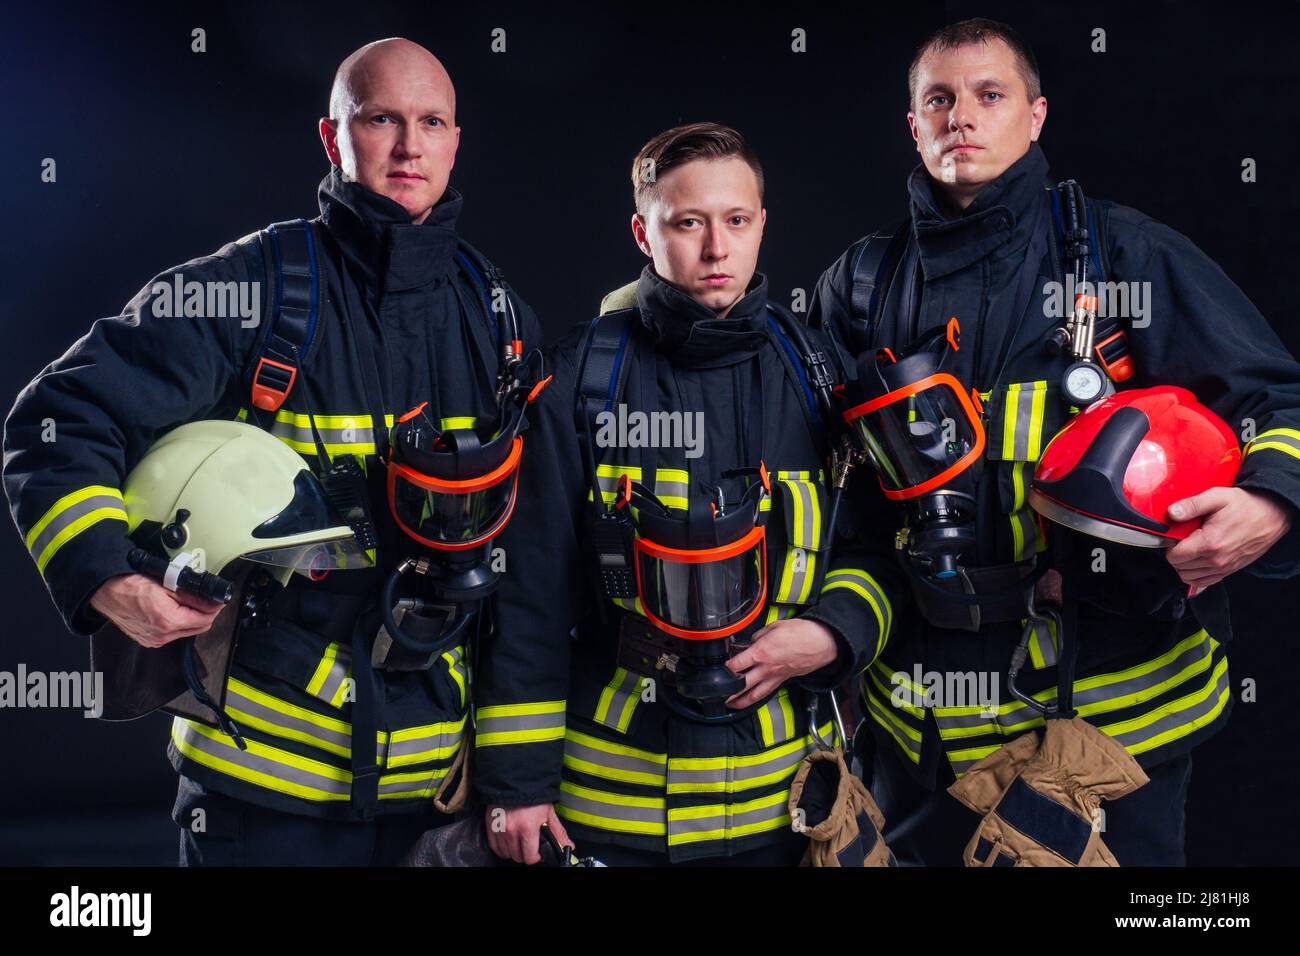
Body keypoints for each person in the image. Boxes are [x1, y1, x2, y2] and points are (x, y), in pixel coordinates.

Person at [2, 37, 541, 866]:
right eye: (381, 119)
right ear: (334, 139)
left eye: (430, 122)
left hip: (435, 803)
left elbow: (535, 557)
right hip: (261, 804)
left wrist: (517, 775)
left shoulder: (495, 314)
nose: (408, 145)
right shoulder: (257, 287)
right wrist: (105, 575)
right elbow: (57, 417)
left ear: (455, 141)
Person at [809, 18, 1300, 866]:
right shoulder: (858, 284)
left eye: (989, 95)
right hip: (919, 727)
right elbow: (805, 469)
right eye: (939, 99)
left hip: (1110, 732)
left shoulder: (1124, 256)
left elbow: (1277, 400)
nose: (962, 115)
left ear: (1035, 117)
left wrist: (1271, 502)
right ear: (914, 126)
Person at [473, 122, 901, 866]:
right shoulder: (580, 379)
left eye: (736, 221)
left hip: (782, 809)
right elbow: (528, 594)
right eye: (687, 222)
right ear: (643, 231)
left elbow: (875, 542)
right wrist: (518, 783)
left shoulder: (816, 374)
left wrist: (834, 632)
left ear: (762, 224)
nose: (716, 249)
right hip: (611, 808)